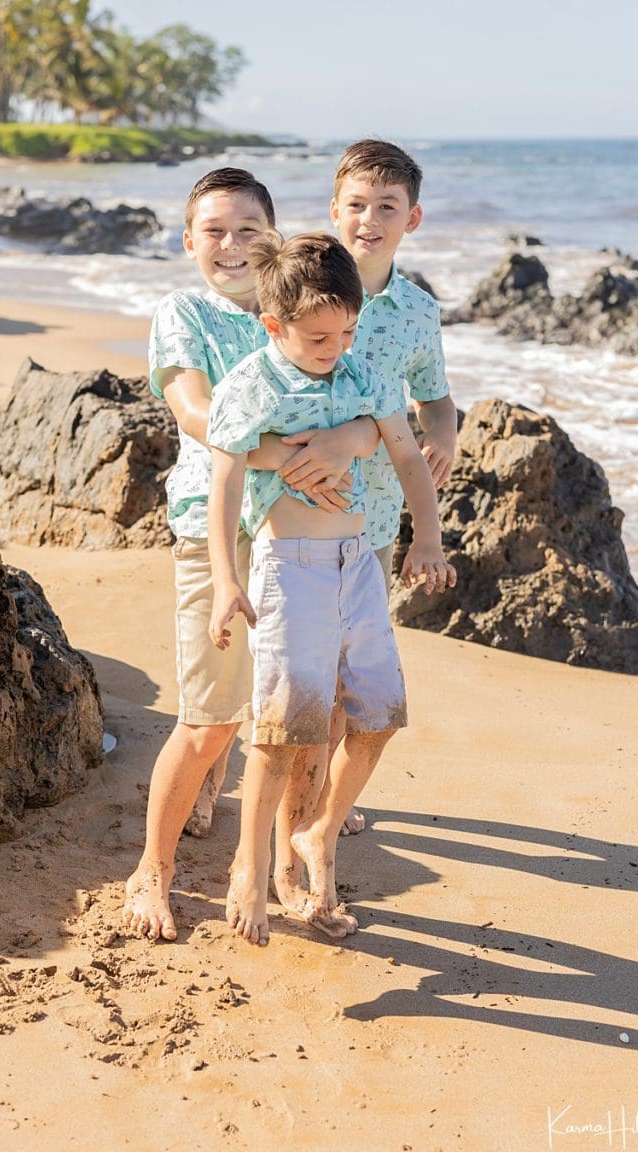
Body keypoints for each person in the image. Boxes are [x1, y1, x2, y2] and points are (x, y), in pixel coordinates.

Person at [122, 169, 377, 942]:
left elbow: (374, 409)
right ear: (188, 239)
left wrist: (349, 439)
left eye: (246, 228)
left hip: (306, 541)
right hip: (219, 532)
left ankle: (287, 872)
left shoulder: (303, 306)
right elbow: (196, 413)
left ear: (274, 232)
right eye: (212, 230)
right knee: (210, 721)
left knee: (297, 721)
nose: (229, 245)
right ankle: (151, 870)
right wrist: (297, 451)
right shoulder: (184, 312)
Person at [207, 231, 457, 947]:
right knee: (281, 734)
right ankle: (251, 871)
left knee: (377, 718)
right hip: (289, 572)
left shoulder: (362, 377)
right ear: (273, 325)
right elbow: (225, 485)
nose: (336, 345)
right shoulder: (250, 385)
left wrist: (427, 539)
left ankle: (318, 834)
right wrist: (227, 580)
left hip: (357, 564)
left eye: (347, 330)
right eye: (319, 336)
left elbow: (409, 457)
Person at [307, 138, 459, 837]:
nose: (370, 219)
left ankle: (326, 799)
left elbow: (433, 396)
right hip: (291, 506)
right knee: (280, 659)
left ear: (413, 219)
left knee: (347, 671)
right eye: (357, 205)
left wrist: (447, 435)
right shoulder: (296, 285)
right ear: (334, 210)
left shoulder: (418, 312)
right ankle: (223, 772)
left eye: (386, 207)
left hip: (372, 516)